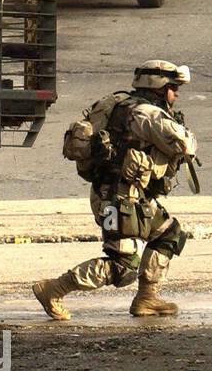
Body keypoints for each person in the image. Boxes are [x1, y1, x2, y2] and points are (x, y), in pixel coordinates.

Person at [33, 60, 197, 320]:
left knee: (169, 234)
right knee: (123, 266)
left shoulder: (113, 102)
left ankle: (147, 299)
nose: (176, 94)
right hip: (119, 198)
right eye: (173, 88)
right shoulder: (149, 115)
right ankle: (54, 289)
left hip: (121, 194)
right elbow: (186, 145)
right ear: (160, 87)